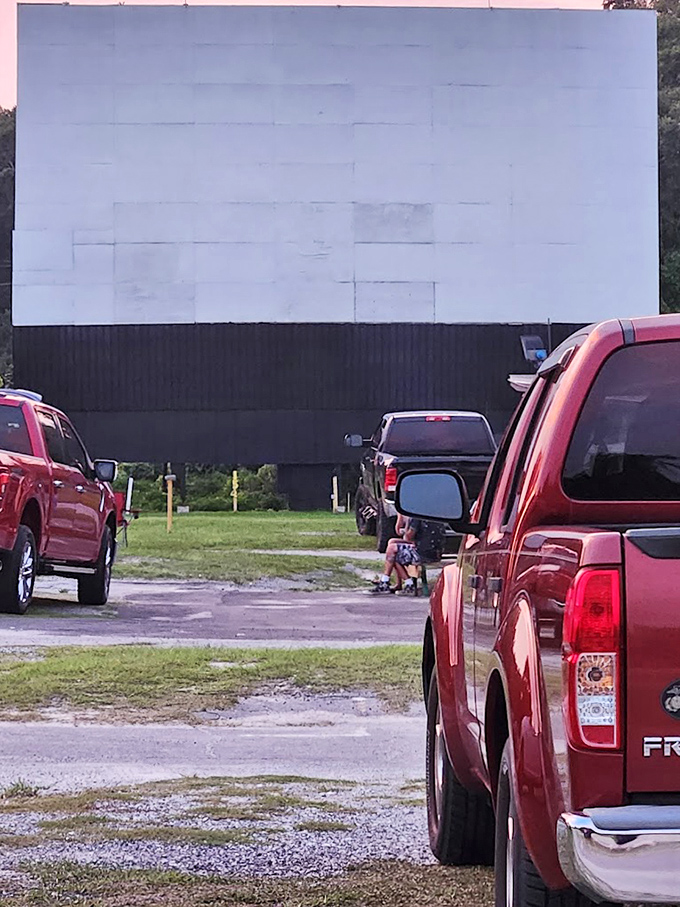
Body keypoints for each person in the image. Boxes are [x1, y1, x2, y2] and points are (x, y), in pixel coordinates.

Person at [371, 514, 421, 594]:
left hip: (420, 551)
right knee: (392, 542)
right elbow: (398, 531)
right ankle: (400, 583)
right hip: (420, 546)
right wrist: (400, 517)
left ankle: (385, 582)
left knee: (392, 550)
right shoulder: (414, 515)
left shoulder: (416, 517)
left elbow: (408, 537)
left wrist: (405, 530)